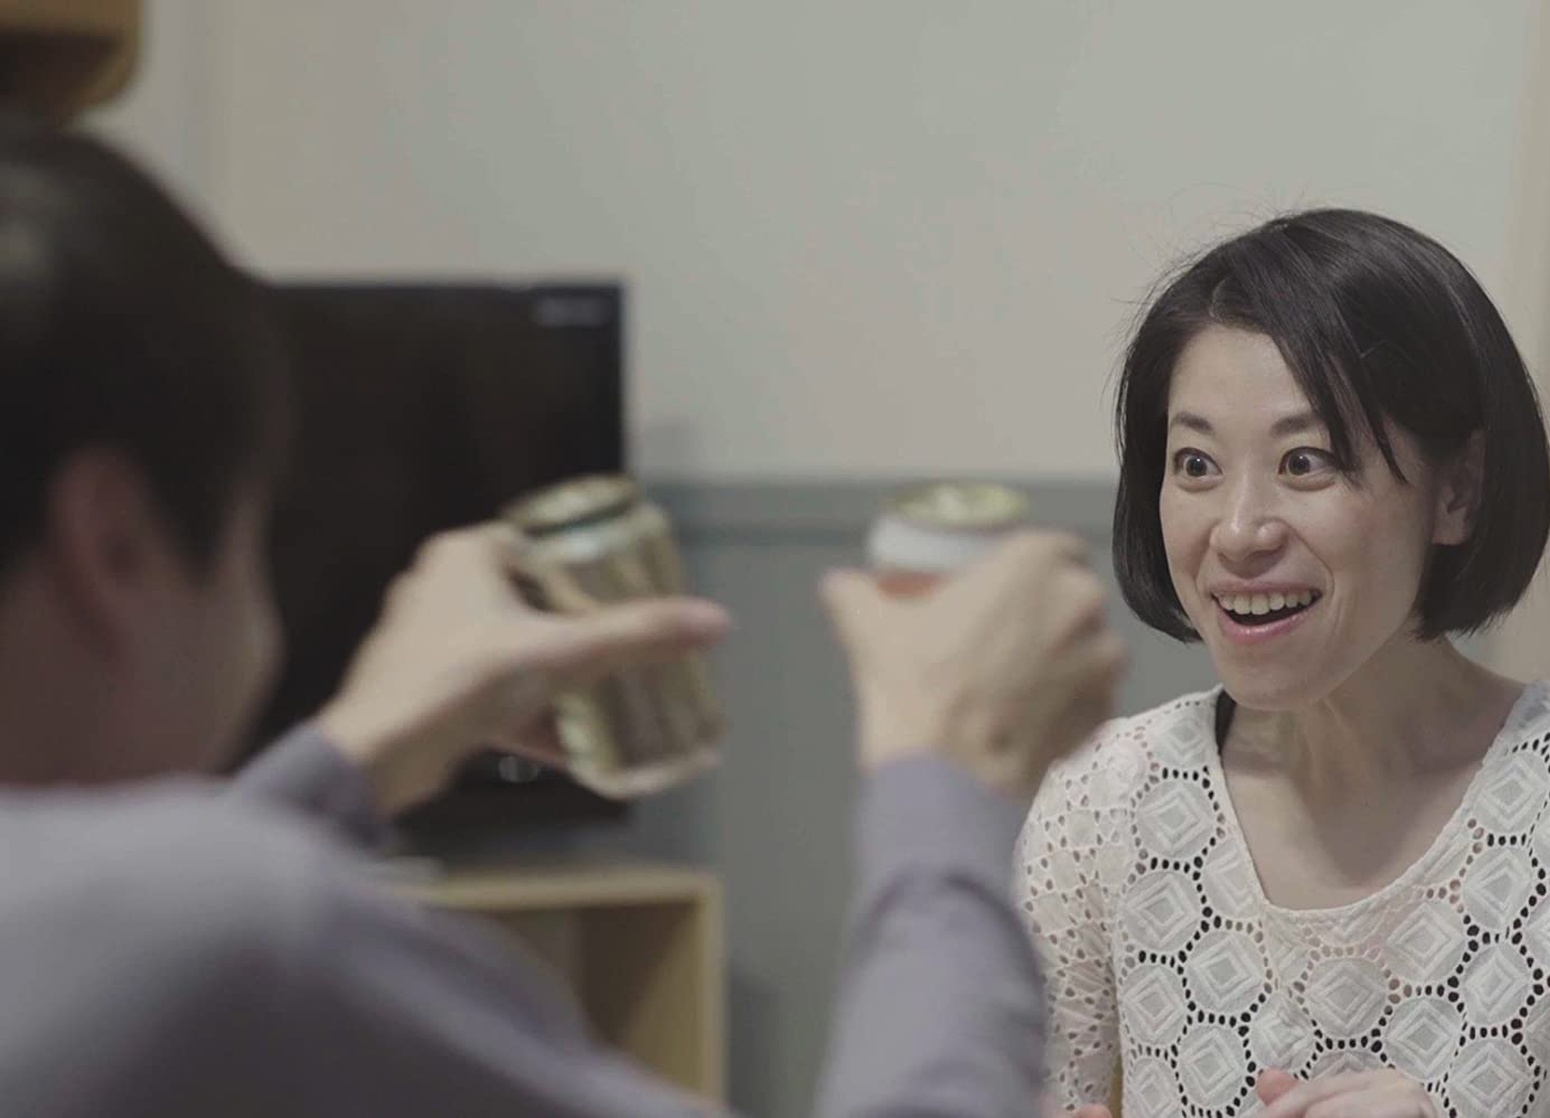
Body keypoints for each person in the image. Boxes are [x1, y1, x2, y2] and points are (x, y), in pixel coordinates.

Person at [0, 117, 1126, 1116]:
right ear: (116, 543)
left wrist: (358, 755)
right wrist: (950, 768)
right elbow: (184, 927)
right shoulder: (247, 934)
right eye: (263, 528)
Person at [1018, 210, 1550, 1117]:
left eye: (1304, 461)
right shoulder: (1102, 803)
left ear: (1457, 490)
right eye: (1195, 464)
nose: (1236, 533)